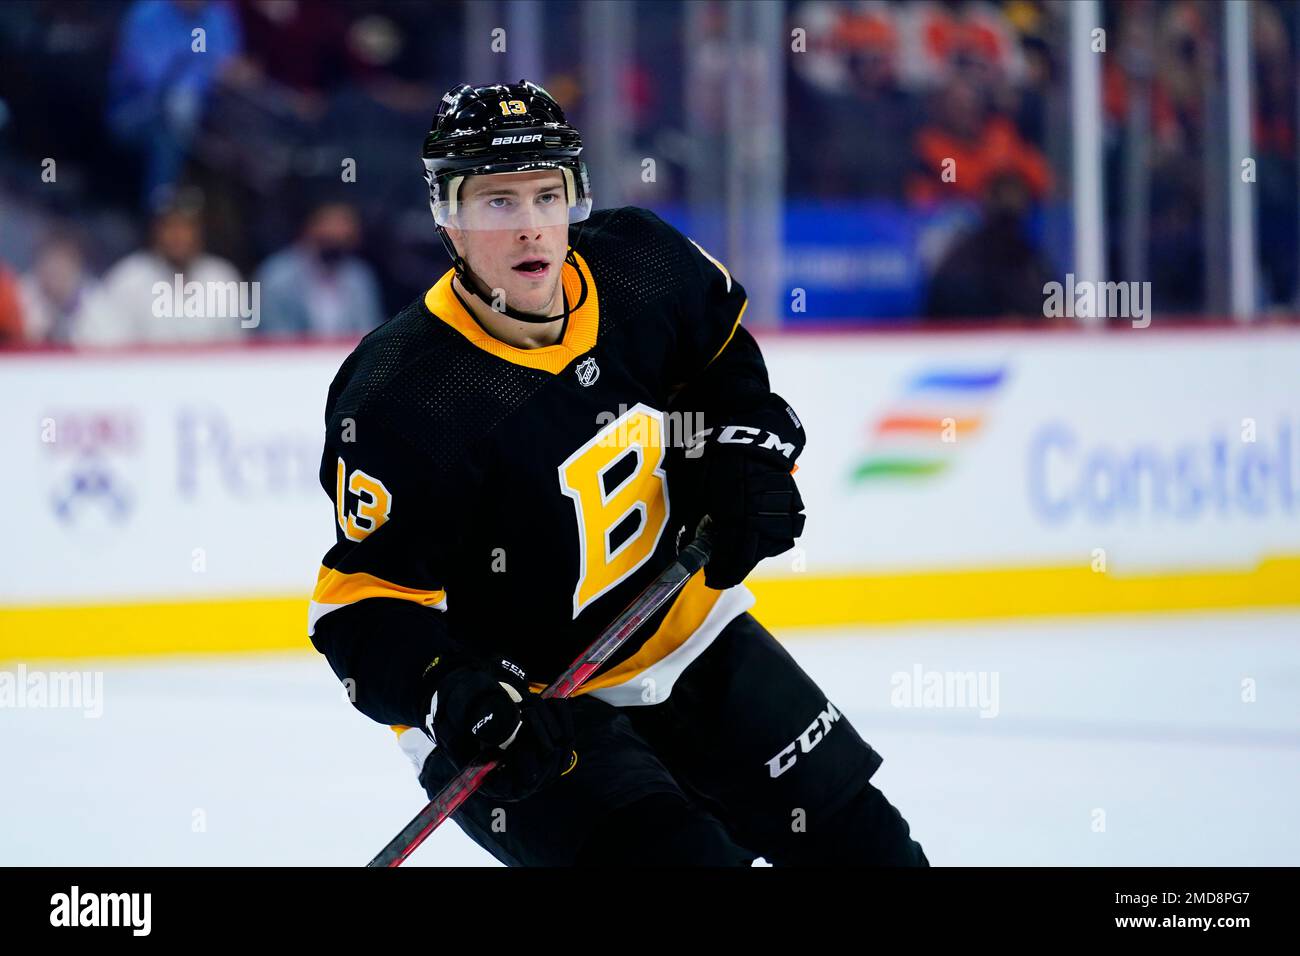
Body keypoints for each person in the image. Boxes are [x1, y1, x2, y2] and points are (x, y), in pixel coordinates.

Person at [308, 80, 927, 866]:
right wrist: (450, 690)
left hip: (684, 635)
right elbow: (357, 609)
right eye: (497, 202)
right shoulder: (404, 394)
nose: (531, 226)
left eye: (546, 194)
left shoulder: (640, 264)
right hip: (533, 709)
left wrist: (738, 454)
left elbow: (720, 365)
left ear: (577, 194)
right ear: (447, 216)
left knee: (873, 852)